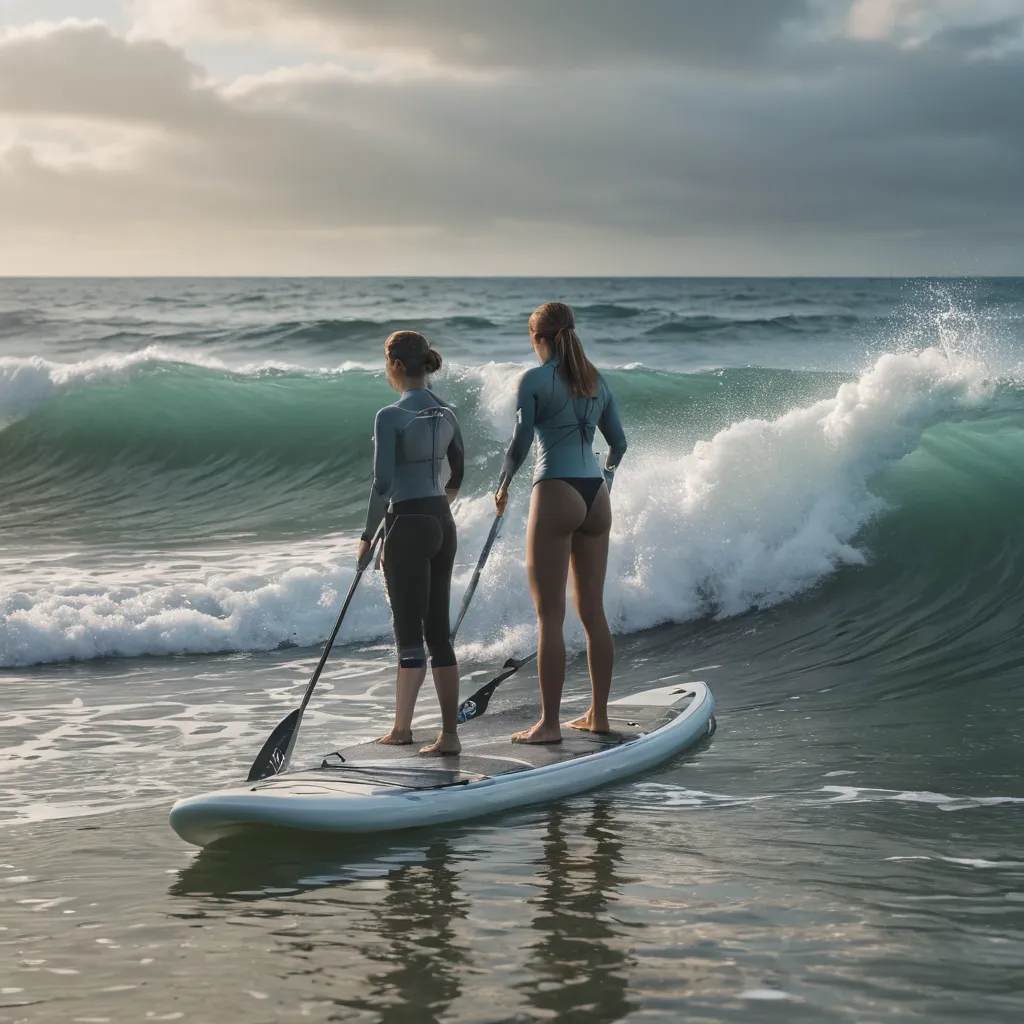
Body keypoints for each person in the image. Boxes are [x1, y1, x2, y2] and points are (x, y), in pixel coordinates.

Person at [495, 302, 627, 744]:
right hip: (596, 496)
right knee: (593, 612)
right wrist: (606, 479)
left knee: (550, 616)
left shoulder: (533, 380)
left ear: (539, 339)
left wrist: (503, 485)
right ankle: (599, 716)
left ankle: (549, 725)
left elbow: (520, 443)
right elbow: (619, 444)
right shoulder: (596, 380)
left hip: (555, 490)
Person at [360, 330, 465, 755]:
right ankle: (449, 736)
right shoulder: (447, 411)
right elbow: (457, 472)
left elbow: (383, 483)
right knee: (439, 634)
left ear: (396, 365)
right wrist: (436, 509)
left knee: (408, 634)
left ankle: (402, 730)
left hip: (406, 524)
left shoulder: (389, 415)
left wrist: (367, 536)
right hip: (442, 521)